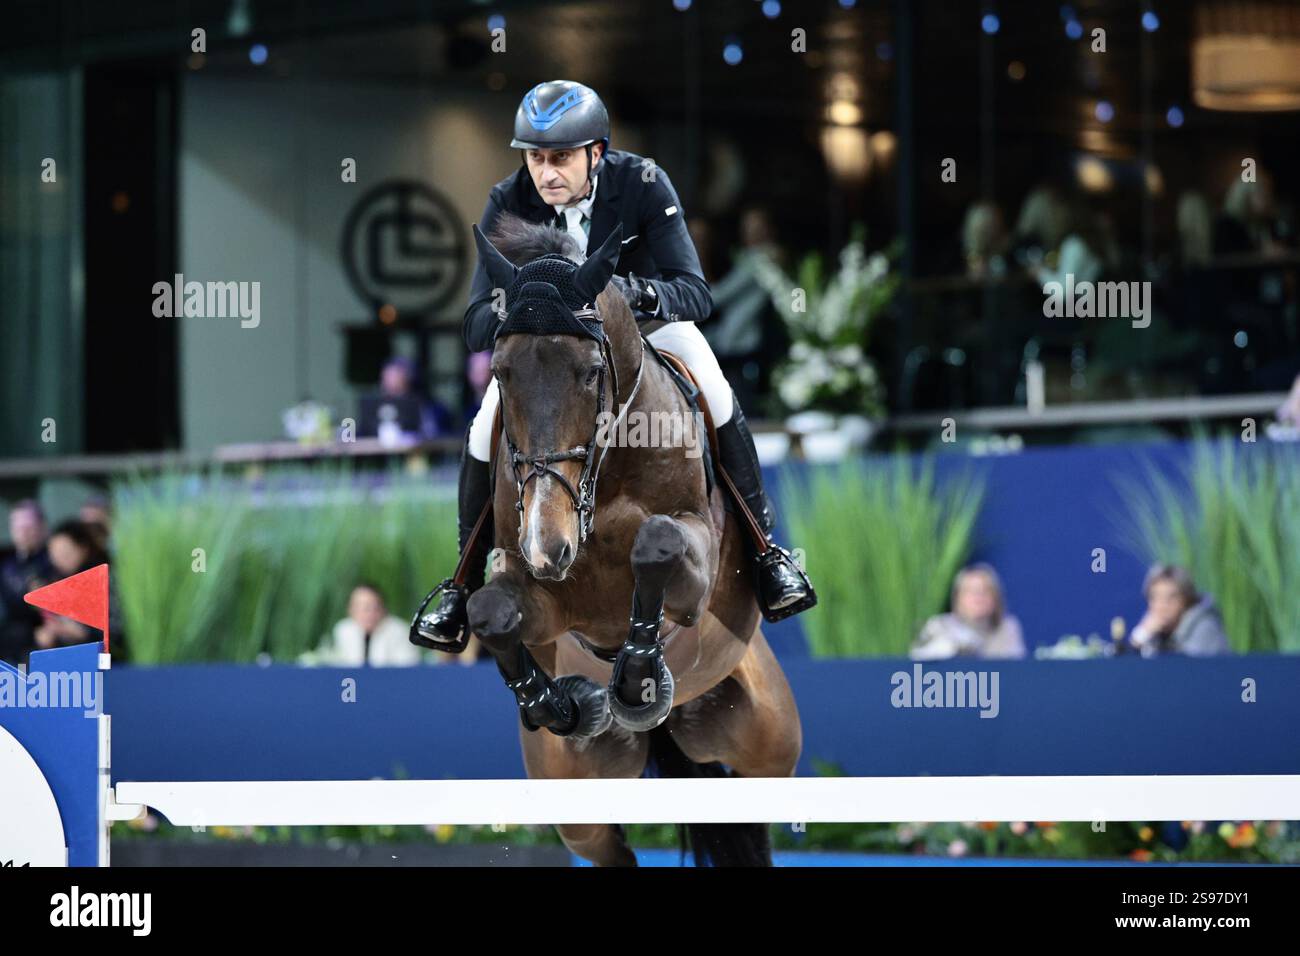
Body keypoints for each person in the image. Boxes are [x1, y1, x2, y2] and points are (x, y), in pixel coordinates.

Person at [413, 80, 815, 647]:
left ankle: (768, 554)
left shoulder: (642, 183)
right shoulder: (508, 197)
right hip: (554, 350)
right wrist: (528, 301)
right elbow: (477, 324)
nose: (545, 173)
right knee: (484, 425)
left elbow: (696, 294)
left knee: (718, 390)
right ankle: (459, 582)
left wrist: (630, 295)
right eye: (535, 158)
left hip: (646, 330)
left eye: (559, 159)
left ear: (595, 153)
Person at [320, 584, 466, 666]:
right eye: (363, 608)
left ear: (383, 608)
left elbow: (407, 667)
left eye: (374, 607)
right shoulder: (343, 630)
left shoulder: (399, 630)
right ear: (351, 610)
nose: (369, 613)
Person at [910, 563, 1026, 660]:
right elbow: (917, 659)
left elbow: (1014, 671)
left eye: (985, 590)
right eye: (970, 591)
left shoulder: (1007, 629)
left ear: (996, 599)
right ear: (957, 599)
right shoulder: (938, 626)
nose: (978, 597)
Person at [1128, 564, 1230, 657]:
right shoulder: (1153, 631)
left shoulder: (1205, 628)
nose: (1162, 606)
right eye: (1155, 597)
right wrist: (1141, 636)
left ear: (1186, 600)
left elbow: (1190, 672)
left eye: (1171, 598)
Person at [0, 500, 54, 664]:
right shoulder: (6, 563)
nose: (23, 533)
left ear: (42, 528)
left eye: (29, 527)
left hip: (43, 646)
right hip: (9, 644)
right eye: (18, 528)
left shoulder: (54, 562)